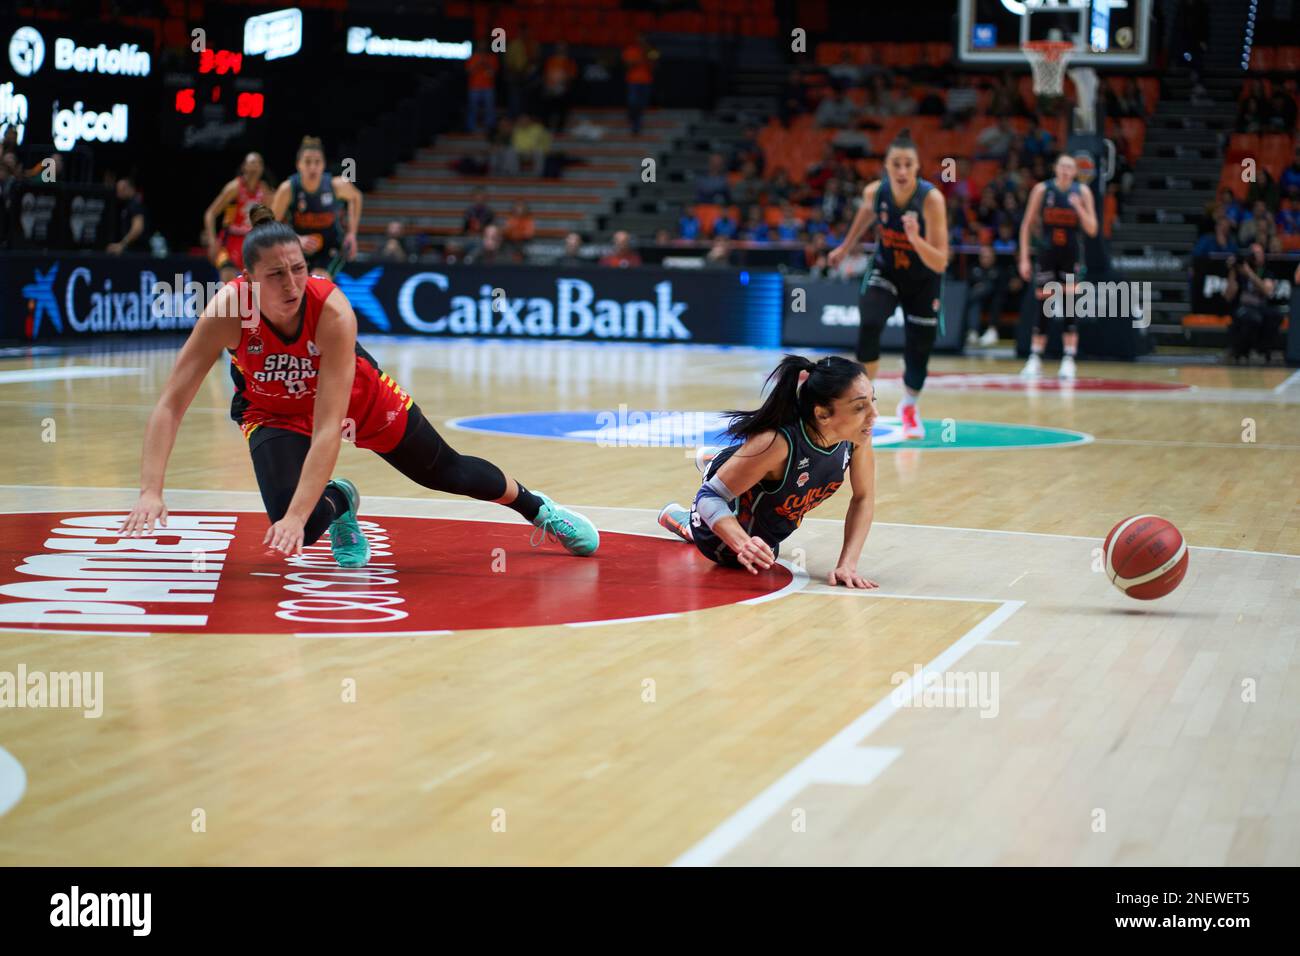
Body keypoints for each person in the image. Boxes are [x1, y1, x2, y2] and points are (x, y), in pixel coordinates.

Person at [120, 205, 597, 566]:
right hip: (273, 411)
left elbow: (329, 430)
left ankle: (538, 509)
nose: (291, 284)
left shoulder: (331, 311)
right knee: (297, 526)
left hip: (354, 401)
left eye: (298, 270)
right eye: (275, 275)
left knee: (446, 472)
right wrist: (150, 490)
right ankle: (342, 499)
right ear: (248, 278)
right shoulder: (227, 311)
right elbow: (170, 405)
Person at [657, 354, 878, 588]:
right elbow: (708, 497)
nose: (874, 414)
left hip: (769, 517)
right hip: (722, 529)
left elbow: (863, 497)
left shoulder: (856, 436)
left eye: (874, 400)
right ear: (822, 414)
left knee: (768, 548)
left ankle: (728, 460)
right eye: (860, 407)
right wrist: (743, 543)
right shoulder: (777, 442)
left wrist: (847, 565)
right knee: (744, 555)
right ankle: (688, 518)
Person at [827, 129, 950, 440]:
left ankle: (909, 406)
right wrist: (845, 247)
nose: (902, 171)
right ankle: (863, 404)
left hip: (923, 279)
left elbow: (940, 261)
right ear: (886, 165)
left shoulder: (931, 199)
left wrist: (915, 239)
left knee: (919, 346)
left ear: (918, 167)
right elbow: (865, 216)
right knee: (869, 322)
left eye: (908, 164)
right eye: (896, 164)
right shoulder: (875, 193)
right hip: (886, 271)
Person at [1018, 154, 1099, 380]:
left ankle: (1069, 359)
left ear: (1075, 171)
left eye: (1069, 167)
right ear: (1055, 168)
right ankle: (1035, 358)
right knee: (1044, 304)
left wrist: (1079, 209)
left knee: (1070, 305)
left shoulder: (1082, 192)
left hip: (1071, 254)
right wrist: (1024, 258)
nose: (1065, 170)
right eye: (1062, 166)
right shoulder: (1042, 190)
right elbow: (1026, 224)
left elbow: (1093, 229)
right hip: (1046, 253)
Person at [270, 137, 362, 276]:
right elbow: (270, 224)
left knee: (319, 281)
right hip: (296, 248)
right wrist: (296, 239)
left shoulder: (336, 185)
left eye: (317, 162)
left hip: (330, 247)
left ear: (323, 165)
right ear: (298, 165)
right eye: (307, 162)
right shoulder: (288, 189)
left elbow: (356, 197)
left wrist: (352, 233)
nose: (313, 167)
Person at [202, 152, 273, 273]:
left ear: (262, 169)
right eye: (252, 163)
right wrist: (212, 241)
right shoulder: (234, 187)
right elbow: (210, 214)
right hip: (228, 242)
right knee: (228, 279)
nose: (255, 166)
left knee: (251, 287)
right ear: (244, 167)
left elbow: (274, 217)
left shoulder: (264, 190)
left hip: (252, 242)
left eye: (259, 163)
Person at [107, 177, 147, 255]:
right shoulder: (127, 205)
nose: (118, 193)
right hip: (131, 251)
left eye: (121, 190)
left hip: (138, 252)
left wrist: (122, 244)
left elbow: (137, 228)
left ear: (128, 188)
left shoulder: (135, 204)